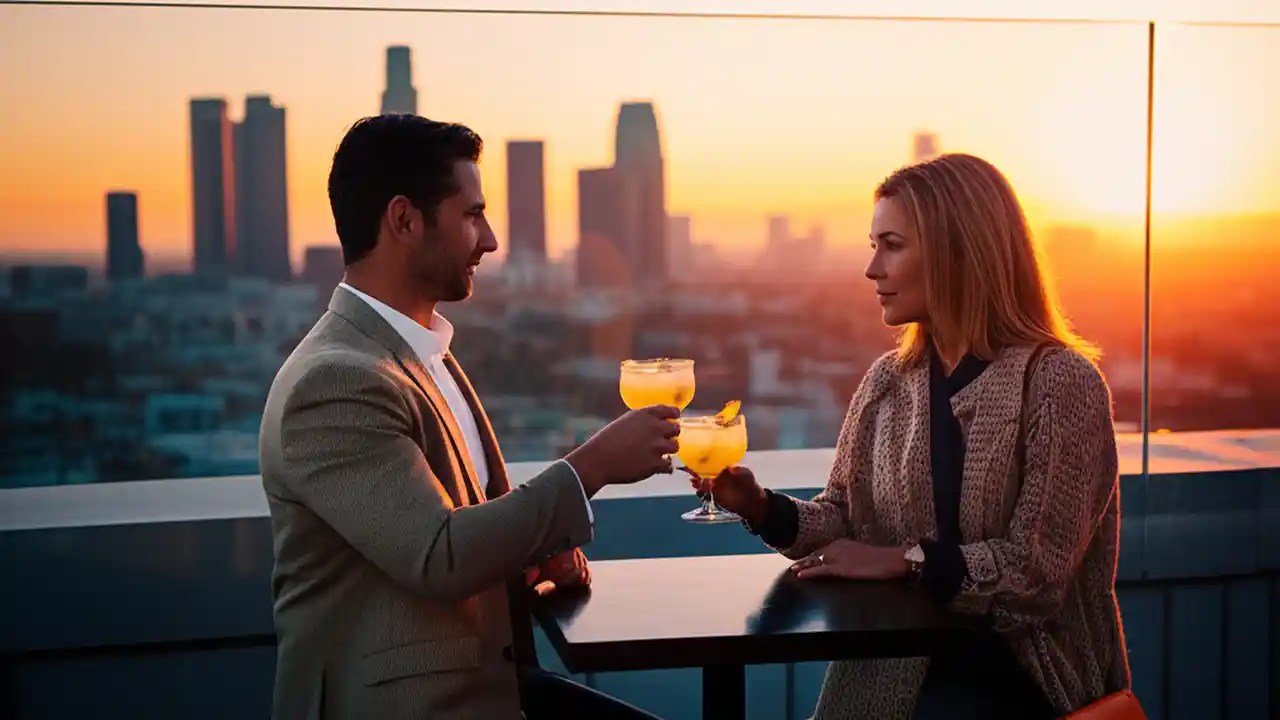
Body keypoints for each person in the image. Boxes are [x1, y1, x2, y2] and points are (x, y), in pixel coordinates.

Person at [260, 114, 672, 720]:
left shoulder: (422, 354)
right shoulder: (336, 382)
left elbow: (440, 525)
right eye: (471, 215)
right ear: (404, 220)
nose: (491, 240)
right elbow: (438, 554)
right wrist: (592, 467)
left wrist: (528, 558)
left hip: (487, 691)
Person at [696, 154, 1130, 719]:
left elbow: (1034, 577)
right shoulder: (887, 383)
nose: (871, 269)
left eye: (892, 245)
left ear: (958, 251)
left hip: (1025, 683)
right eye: (872, 245)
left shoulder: (1060, 384)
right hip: (893, 675)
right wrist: (758, 506)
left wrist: (904, 561)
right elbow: (844, 522)